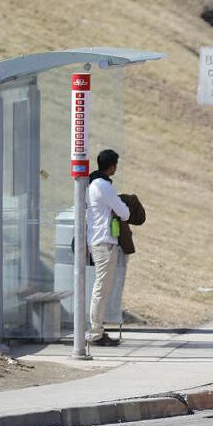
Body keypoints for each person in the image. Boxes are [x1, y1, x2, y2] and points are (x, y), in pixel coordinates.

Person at [87, 149, 131, 347]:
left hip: (97, 240)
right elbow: (124, 212)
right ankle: (96, 332)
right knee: (101, 289)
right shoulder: (103, 186)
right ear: (112, 166)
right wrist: (124, 207)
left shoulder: (92, 184)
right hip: (105, 242)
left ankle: (97, 329)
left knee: (101, 288)